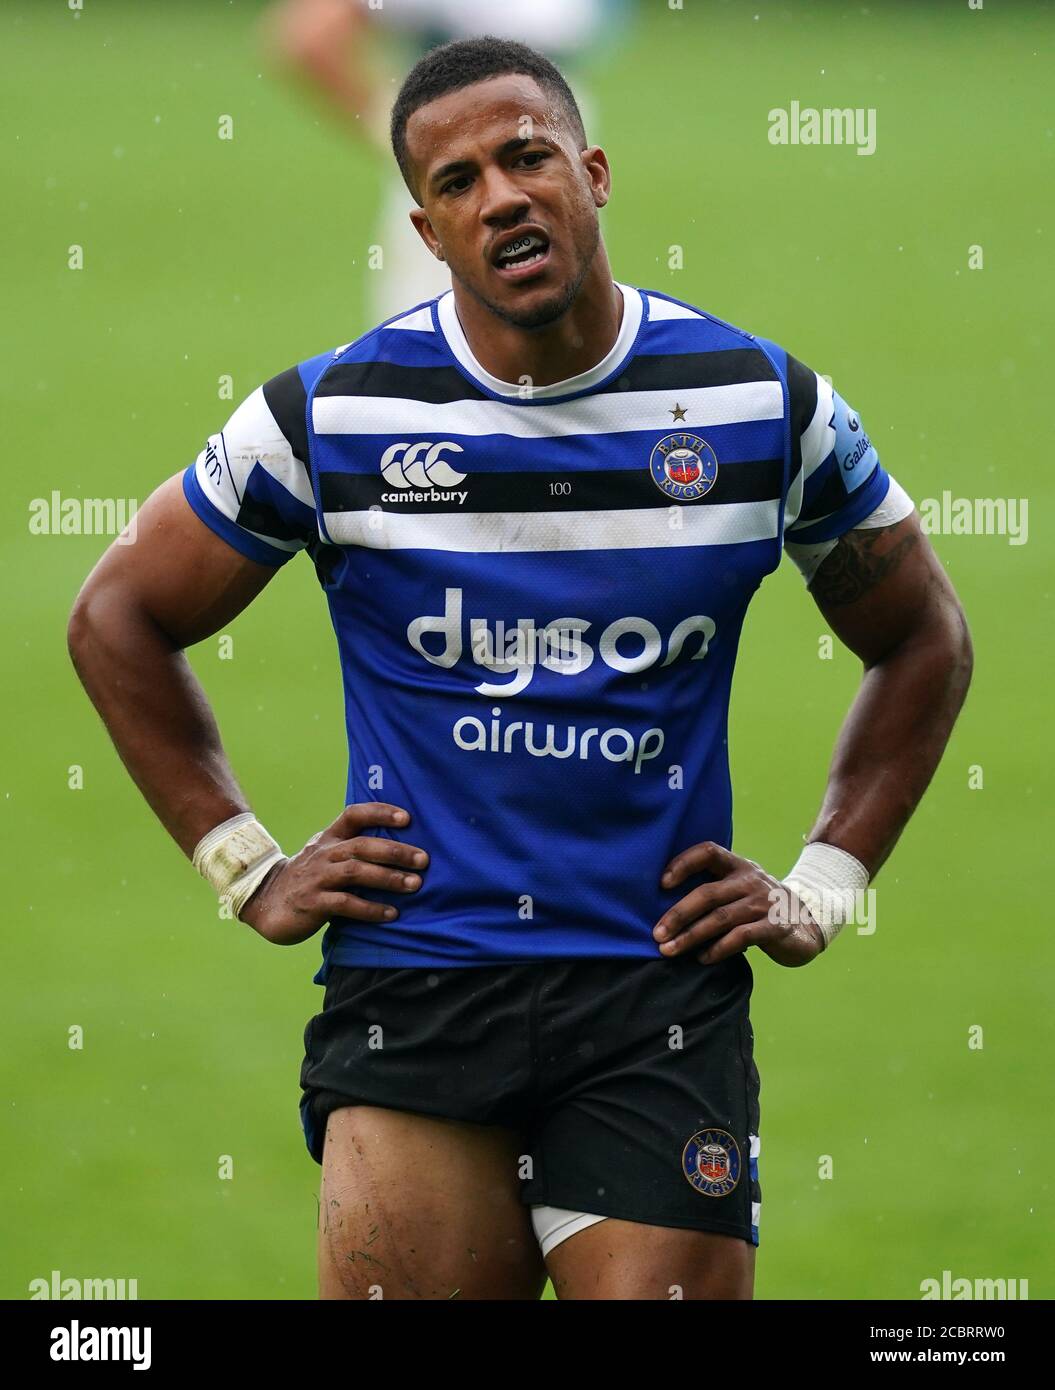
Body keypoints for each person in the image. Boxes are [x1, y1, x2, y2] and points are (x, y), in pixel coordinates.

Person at [68, 36, 973, 1301]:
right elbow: (116, 614)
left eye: (525, 156)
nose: (498, 194)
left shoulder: (754, 405)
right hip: (418, 985)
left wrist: (822, 881)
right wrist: (243, 864)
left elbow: (923, 633)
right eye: (454, 181)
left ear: (591, 173)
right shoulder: (334, 420)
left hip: (654, 989)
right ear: (426, 229)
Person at [263, 0, 628, 322]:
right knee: (431, 346)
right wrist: (397, 139)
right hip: (465, 160)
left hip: (547, 146)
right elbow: (308, 37)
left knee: (562, 326)